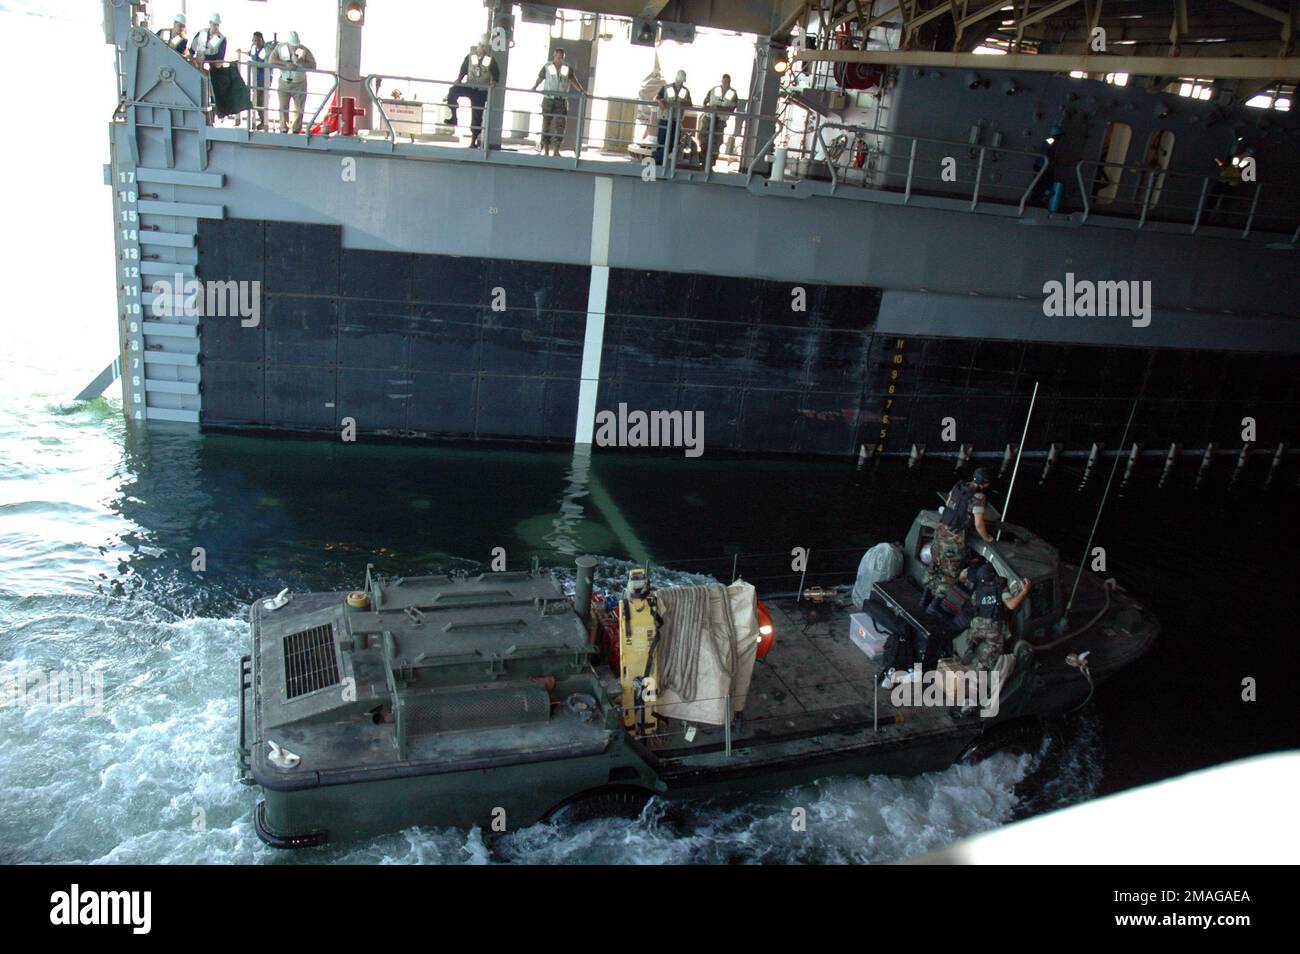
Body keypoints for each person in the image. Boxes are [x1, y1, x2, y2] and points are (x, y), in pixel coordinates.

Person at [922, 466, 994, 608]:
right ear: (985, 483)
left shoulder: (958, 487)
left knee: (934, 565)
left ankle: (924, 598)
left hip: (940, 532)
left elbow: (949, 504)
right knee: (949, 574)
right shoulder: (979, 497)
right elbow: (979, 524)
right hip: (954, 541)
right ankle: (934, 606)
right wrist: (988, 538)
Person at [958, 563, 1031, 670]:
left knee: (974, 635)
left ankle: (971, 646)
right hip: (993, 626)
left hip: (978, 623)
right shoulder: (1001, 588)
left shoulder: (978, 589)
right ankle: (982, 667)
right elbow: (1011, 605)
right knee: (994, 647)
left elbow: (974, 603)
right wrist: (1024, 592)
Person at [532, 47, 585, 157]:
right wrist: (535, 86)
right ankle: (546, 148)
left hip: (561, 100)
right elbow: (540, 77)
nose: (559, 59)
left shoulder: (566, 68)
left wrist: (581, 90)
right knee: (546, 124)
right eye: (558, 56)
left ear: (563, 57)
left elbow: (573, 80)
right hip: (548, 99)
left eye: (561, 57)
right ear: (554, 55)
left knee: (560, 125)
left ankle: (556, 150)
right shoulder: (547, 66)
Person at [447, 39, 499, 148]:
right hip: (470, 86)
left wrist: (493, 82)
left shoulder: (490, 59)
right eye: (481, 45)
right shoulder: (470, 57)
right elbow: (464, 69)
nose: (482, 48)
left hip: (481, 90)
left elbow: (496, 74)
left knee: (477, 116)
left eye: (484, 46)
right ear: (478, 45)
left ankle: (473, 141)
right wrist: (459, 80)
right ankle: (454, 117)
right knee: (453, 91)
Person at [268, 31, 316, 133]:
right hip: (284, 82)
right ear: (288, 43)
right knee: (283, 106)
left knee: (299, 108)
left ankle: (296, 129)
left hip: (300, 83)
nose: (294, 47)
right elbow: (271, 60)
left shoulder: (304, 50)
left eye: (296, 45)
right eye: (292, 45)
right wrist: (285, 64)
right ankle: (283, 127)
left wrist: (300, 62)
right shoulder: (280, 48)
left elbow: (313, 65)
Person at [699, 74, 738, 169]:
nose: (725, 84)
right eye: (724, 81)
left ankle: (711, 163)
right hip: (708, 119)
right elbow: (705, 101)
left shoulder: (733, 93)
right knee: (704, 140)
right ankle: (702, 162)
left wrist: (719, 108)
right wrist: (707, 107)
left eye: (727, 82)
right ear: (721, 81)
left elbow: (732, 108)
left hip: (720, 121)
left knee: (717, 142)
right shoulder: (714, 90)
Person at [654, 71, 692, 165]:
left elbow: (689, 103)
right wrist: (660, 102)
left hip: (676, 119)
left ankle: (660, 158)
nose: (680, 83)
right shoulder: (666, 88)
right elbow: (658, 97)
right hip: (665, 118)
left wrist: (681, 103)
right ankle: (658, 160)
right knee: (662, 140)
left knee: (673, 141)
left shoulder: (685, 91)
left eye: (681, 81)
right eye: (679, 81)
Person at [239, 32, 269, 130]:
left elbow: (261, 63)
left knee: (261, 101)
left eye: (256, 40)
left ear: (261, 40)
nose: (254, 42)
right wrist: (241, 52)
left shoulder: (265, 50)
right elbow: (251, 54)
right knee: (256, 99)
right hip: (256, 79)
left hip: (263, 78)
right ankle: (261, 120)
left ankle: (264, 122)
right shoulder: (253, 48)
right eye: (253, 40)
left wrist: (254, 64)